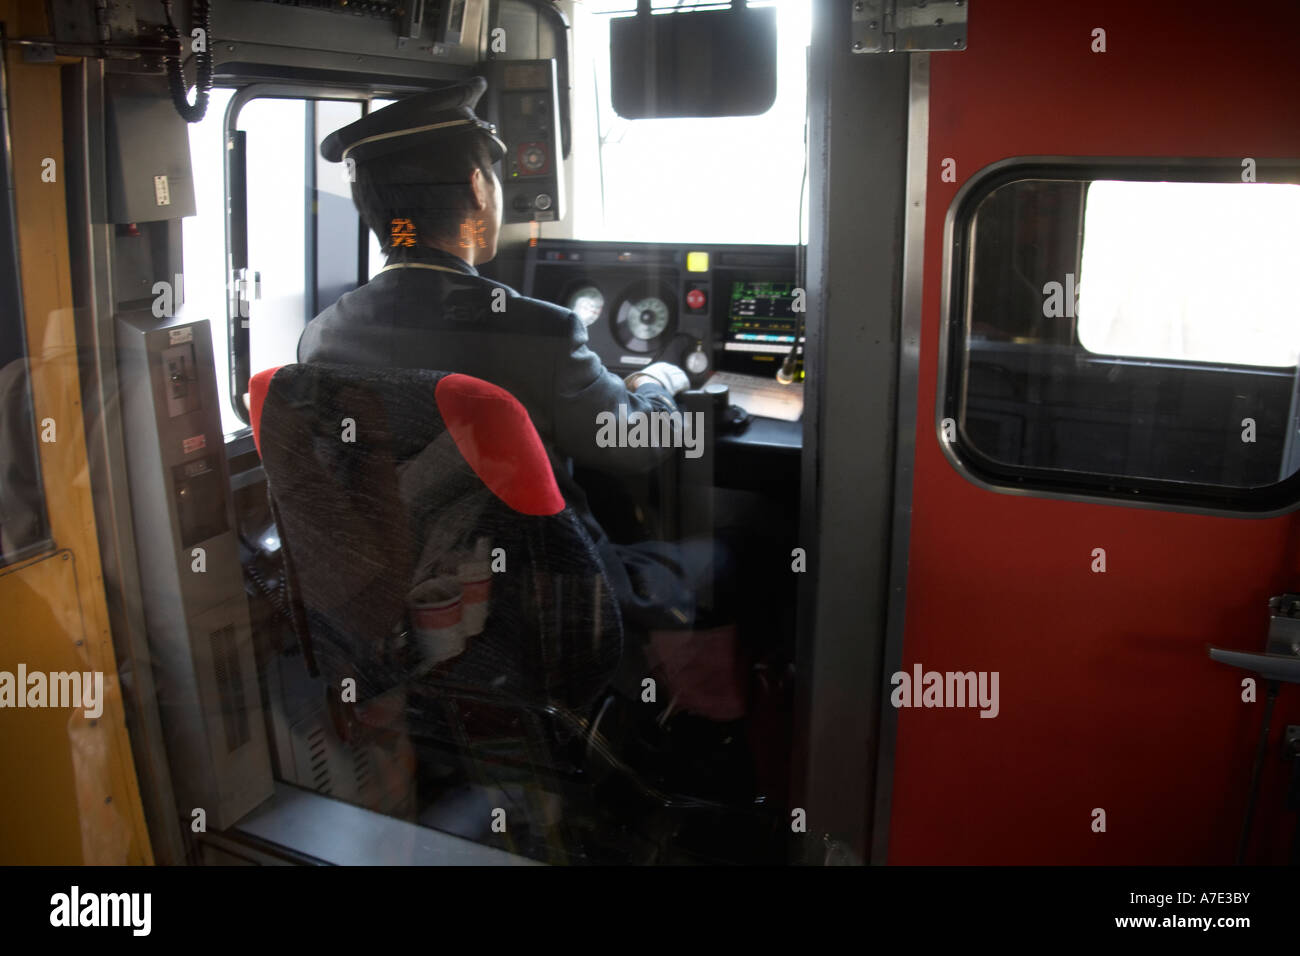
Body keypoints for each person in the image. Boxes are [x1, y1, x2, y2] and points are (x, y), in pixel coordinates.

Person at [297, 77, 729, 649]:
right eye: (496, 177)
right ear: (479, 187)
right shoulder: (538, 332)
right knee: (739, 544)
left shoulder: (321, 338)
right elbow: (639, 446)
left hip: (420, 609)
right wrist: (658, 379)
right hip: (554, 601)